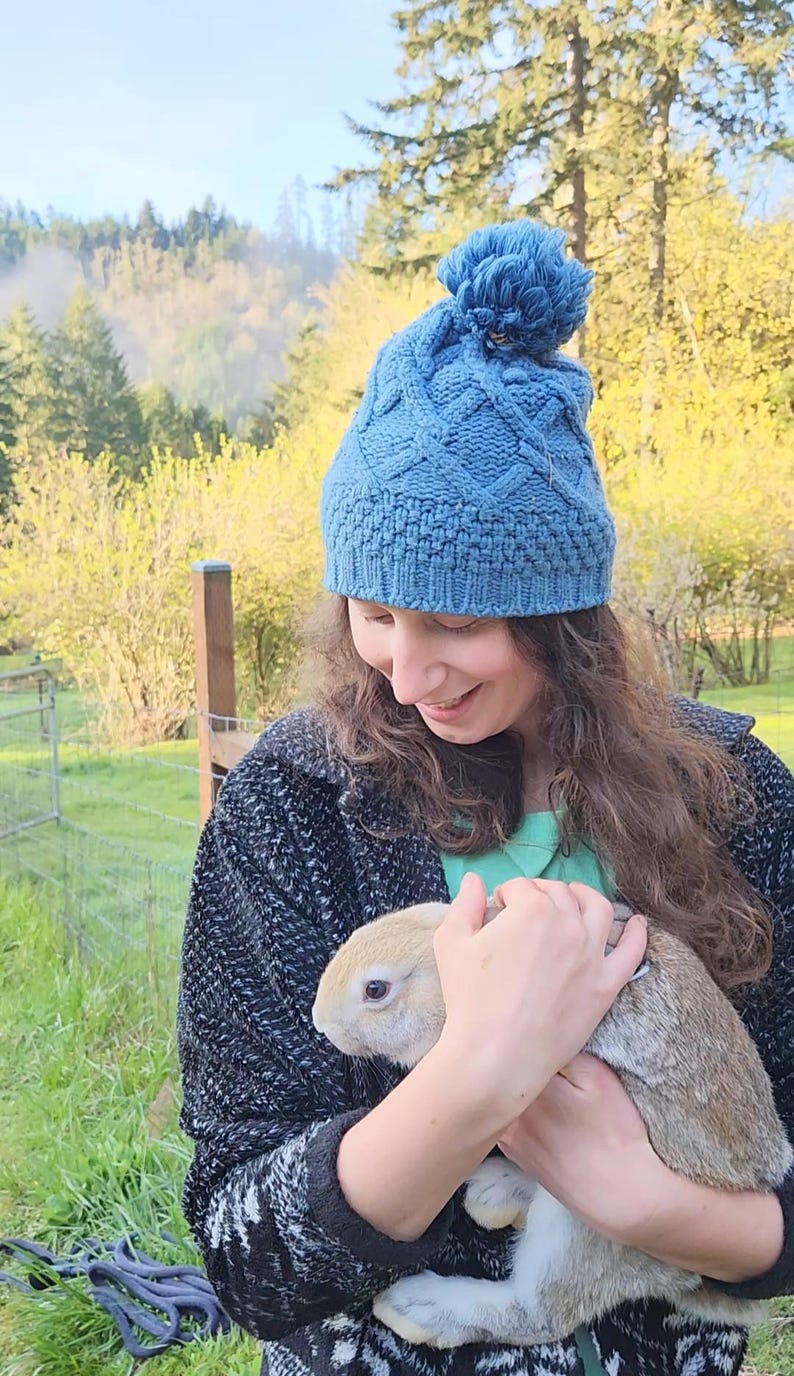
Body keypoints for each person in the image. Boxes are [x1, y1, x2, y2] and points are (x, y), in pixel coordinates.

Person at [177, 220, 794, 1376]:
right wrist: (475, 1077)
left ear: (561, 610)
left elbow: (779, 1177)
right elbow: (243, 1250)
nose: (405, 678)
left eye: (455, 620)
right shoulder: (294, 805)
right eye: (373, 612)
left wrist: (656, 1205)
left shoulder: (739, 800)